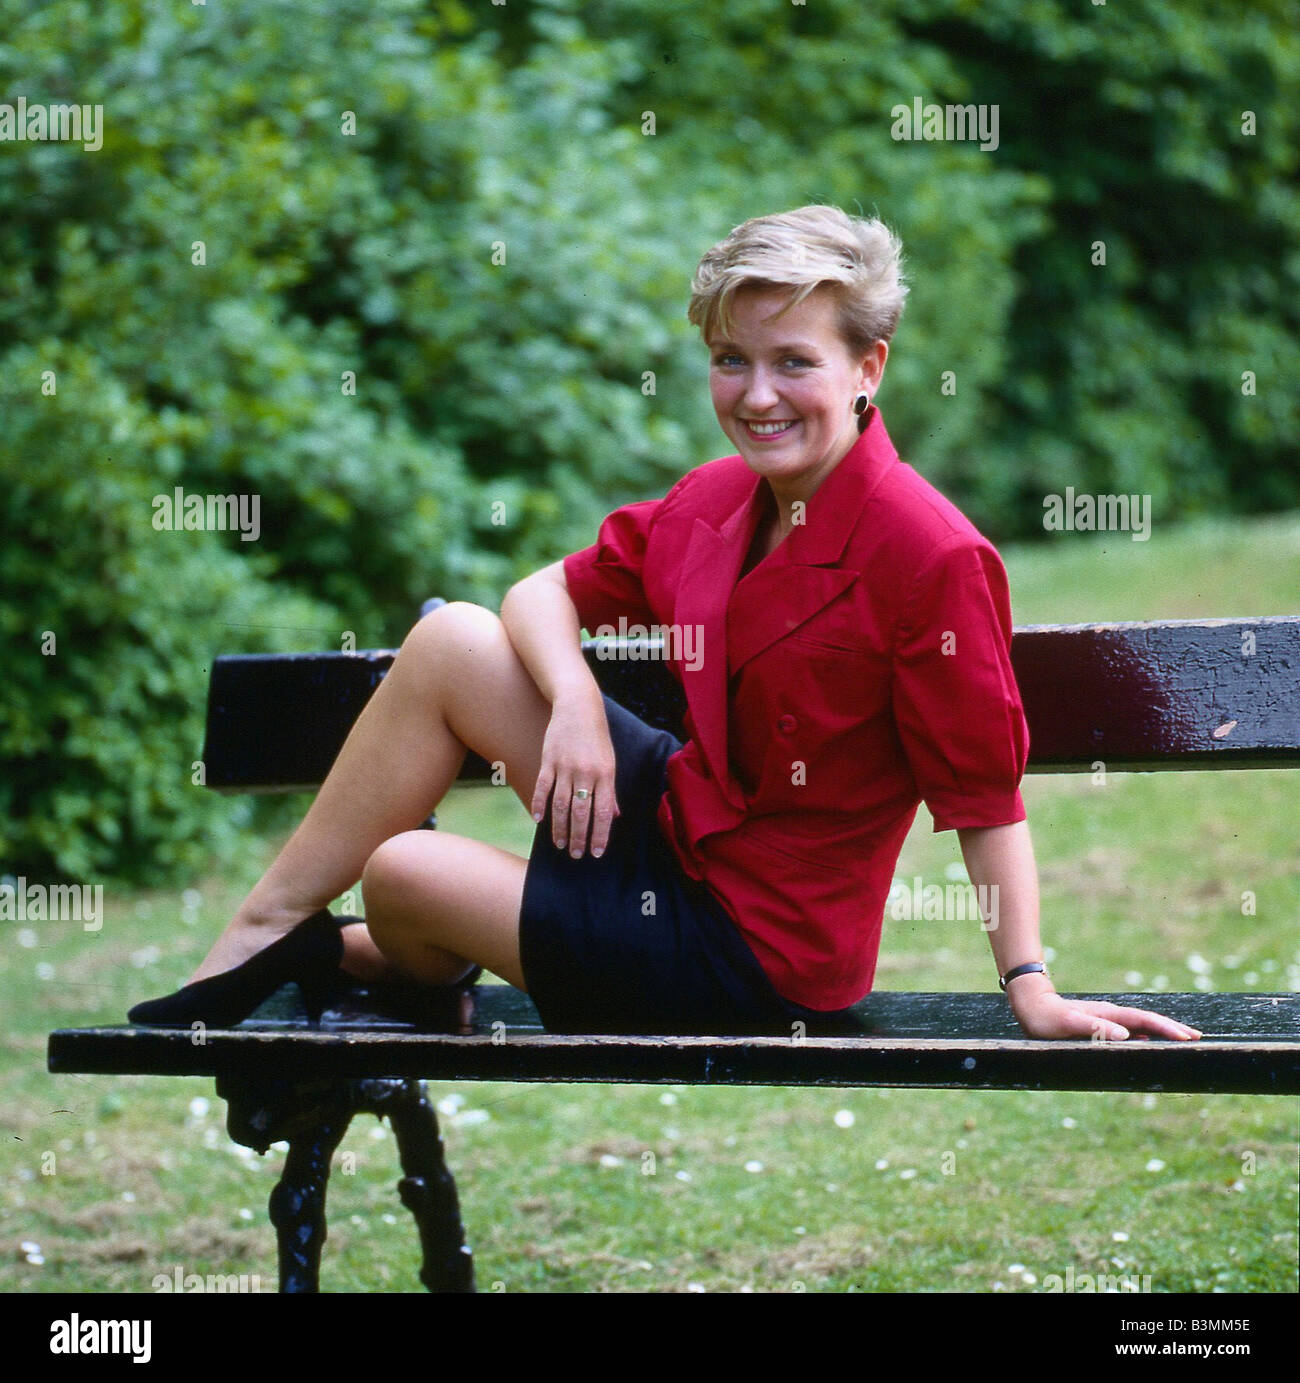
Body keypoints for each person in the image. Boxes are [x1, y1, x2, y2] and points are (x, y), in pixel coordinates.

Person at [129, 205, 1200, 1044]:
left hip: (752, 951)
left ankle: (362, 956)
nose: (757, 394)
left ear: (867, 369)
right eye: (731, 358)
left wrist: (1032, 986)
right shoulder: (711, 503)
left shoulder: (929, 555)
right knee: (452, 636)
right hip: (667, 831)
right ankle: (268, 933)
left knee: (407, 869)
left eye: (794, 362)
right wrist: (577, 705)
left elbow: (983, 799)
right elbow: (535, 595)